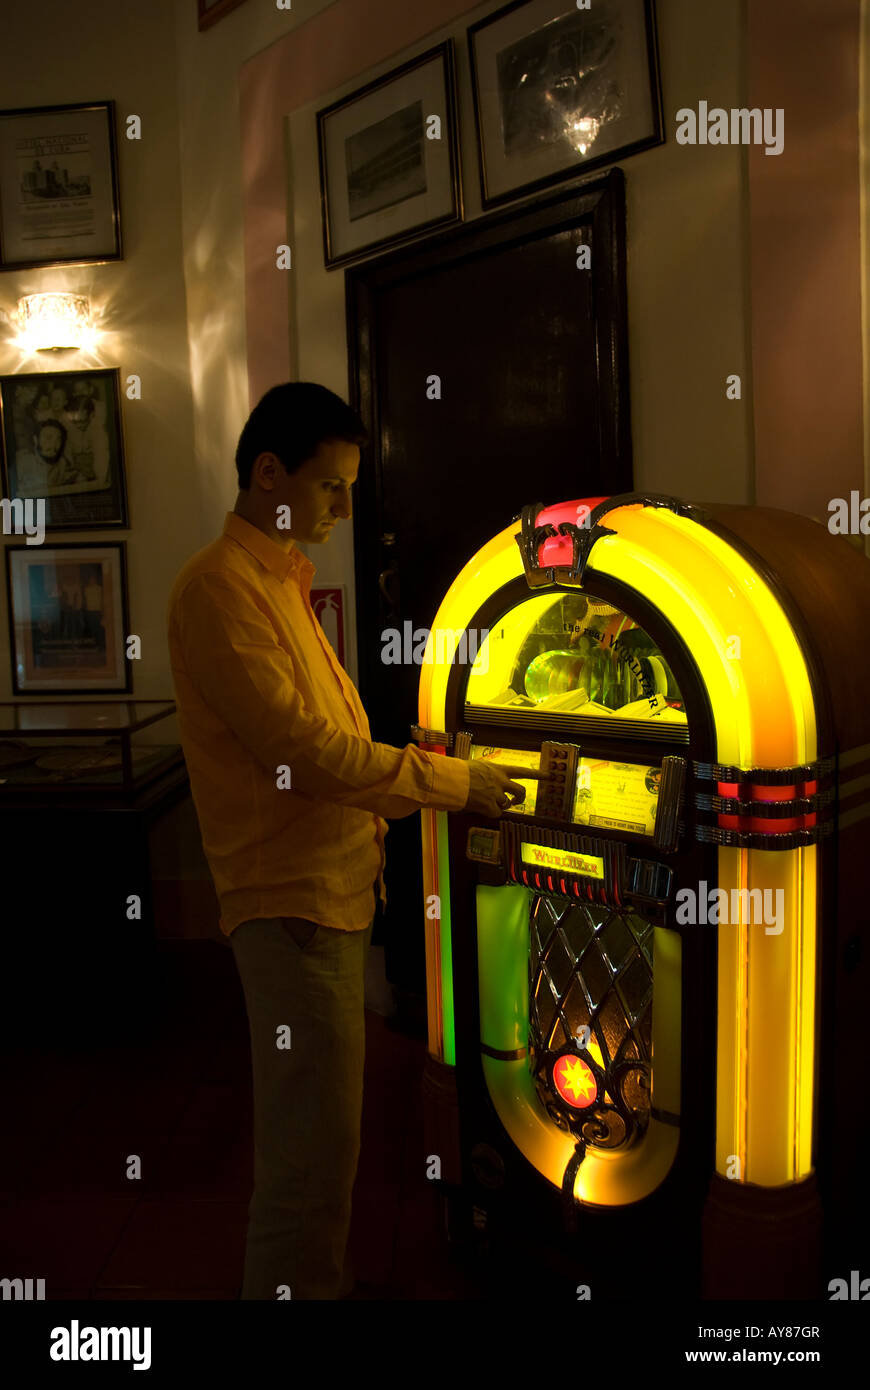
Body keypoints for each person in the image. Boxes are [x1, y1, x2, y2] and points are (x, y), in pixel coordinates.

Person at [166, 381, 536, 1301]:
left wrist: (403, 757)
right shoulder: (219, 589)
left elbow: (321, 737)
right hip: (289, 905)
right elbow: (306, 752)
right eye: (331, 487)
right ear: (267, 471)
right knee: (307, 1171)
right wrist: (449, 784)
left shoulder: (278, 577)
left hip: (327, 894)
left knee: (320, 1154)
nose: (344, 506)